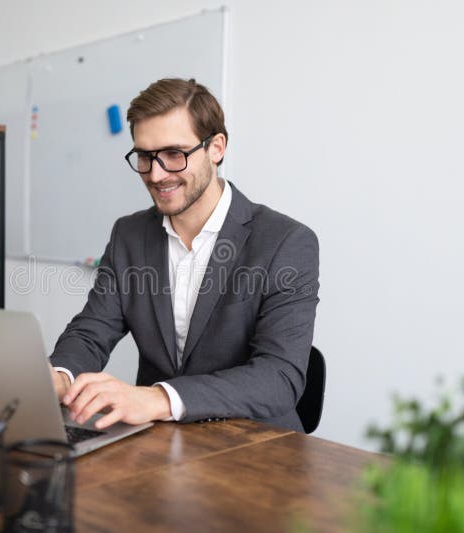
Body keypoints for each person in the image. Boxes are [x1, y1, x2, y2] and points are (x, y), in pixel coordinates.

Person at [49, 78, 319, 432]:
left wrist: (159, 398)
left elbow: (279, 377)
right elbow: (91, 332)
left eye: (174, 154)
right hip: (161, 443)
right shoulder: (128, 235)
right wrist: (59, 376)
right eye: (145, 156)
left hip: (254, 446)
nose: (157, 174)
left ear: (216, 148)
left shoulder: (285, 242)